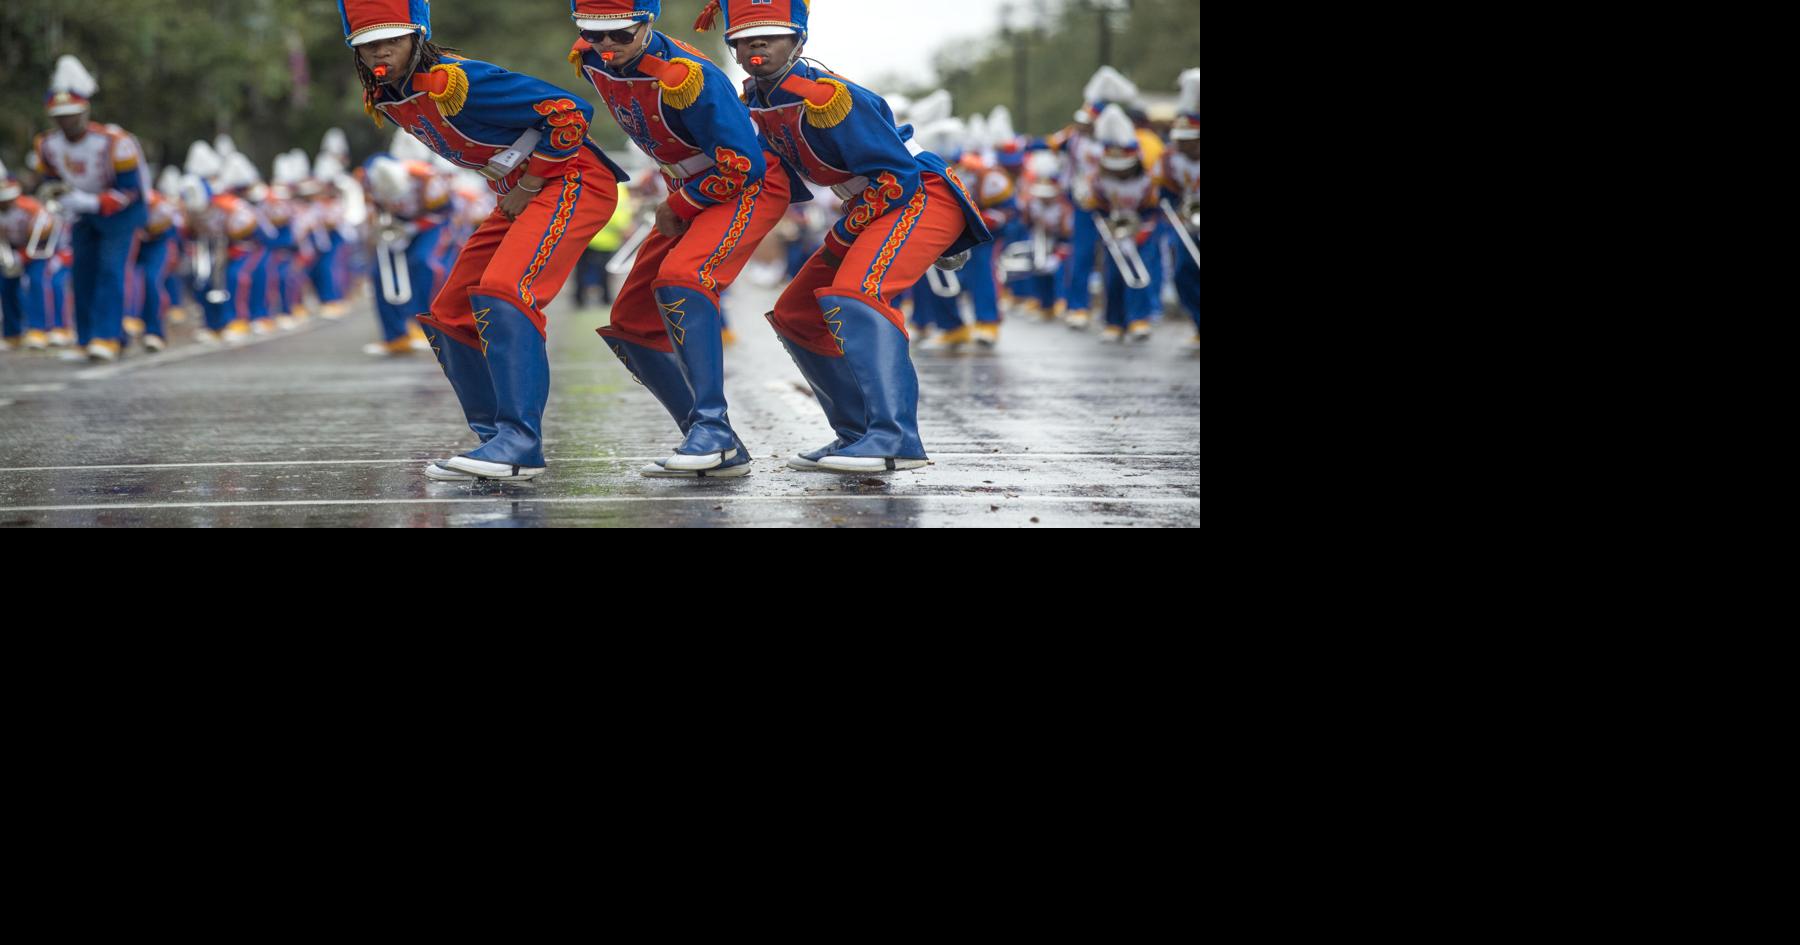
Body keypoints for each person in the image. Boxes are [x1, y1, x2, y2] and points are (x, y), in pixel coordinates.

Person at [338, 0, 628, 482]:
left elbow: (570, 112)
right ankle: (492, 439)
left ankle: (520, 443)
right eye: (367, 45)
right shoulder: (389, 94)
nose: (379, 51)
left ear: (417, 37)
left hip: (570, 181)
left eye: (390, 39)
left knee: (505, 291)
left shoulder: (458, 81)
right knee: (450, 311)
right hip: (517, 193)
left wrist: (531, 184)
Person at [704, 0, 993, 473]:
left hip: (918, 193)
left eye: (772, 34)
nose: (756, 44)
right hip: (872, 203)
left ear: (799, 40)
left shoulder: (827, 94)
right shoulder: (754, 101)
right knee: (797, 312)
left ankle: (892, 437)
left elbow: (897, 176)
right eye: (744, 37)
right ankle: (856, 433)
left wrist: (844, 235)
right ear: (733, 47)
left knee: (857, 293)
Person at [571, 0, 795, 478]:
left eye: (619, 34)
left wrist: (682, 203)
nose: (606, 45)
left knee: (683, 277)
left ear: (648, 22)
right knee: (630, 320)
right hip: (685, 188)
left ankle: (711, 429)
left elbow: (744, 162)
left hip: (744, 185)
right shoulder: (589, 58)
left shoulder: (689, 76)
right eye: (594, 34)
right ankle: (716, 442)